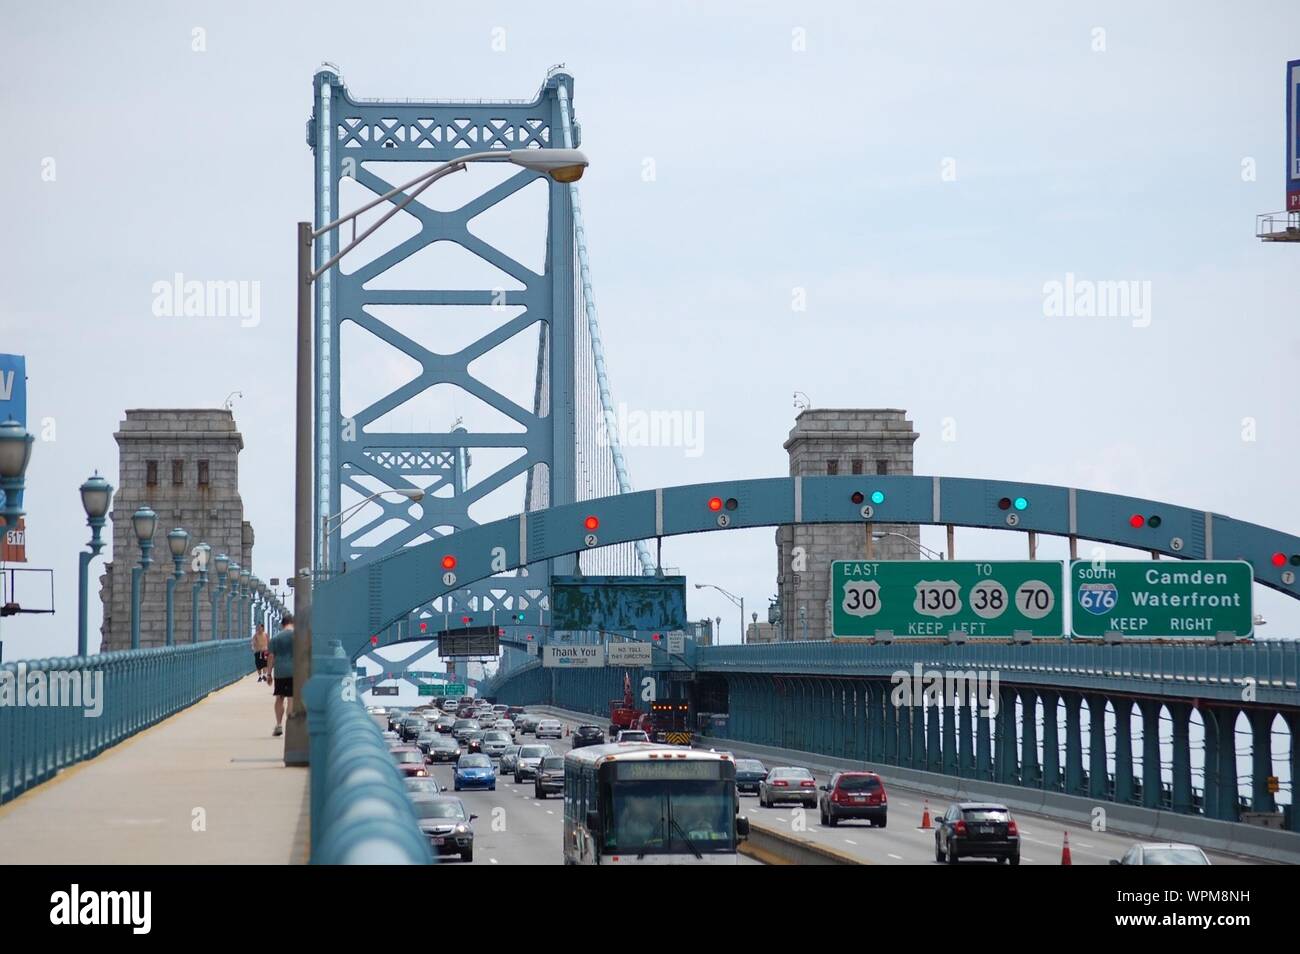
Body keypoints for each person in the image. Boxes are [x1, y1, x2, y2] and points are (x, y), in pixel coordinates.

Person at [266, 614, 295, 737]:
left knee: (280, 698)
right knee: (292, 698)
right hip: (295, 670)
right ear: (293, 623)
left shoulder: (276, 638)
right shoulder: (298, 637)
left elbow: (271, 656)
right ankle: (291, 726)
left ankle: (278, 725)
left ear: (282, 624)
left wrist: (268, 674)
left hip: (280, 671)